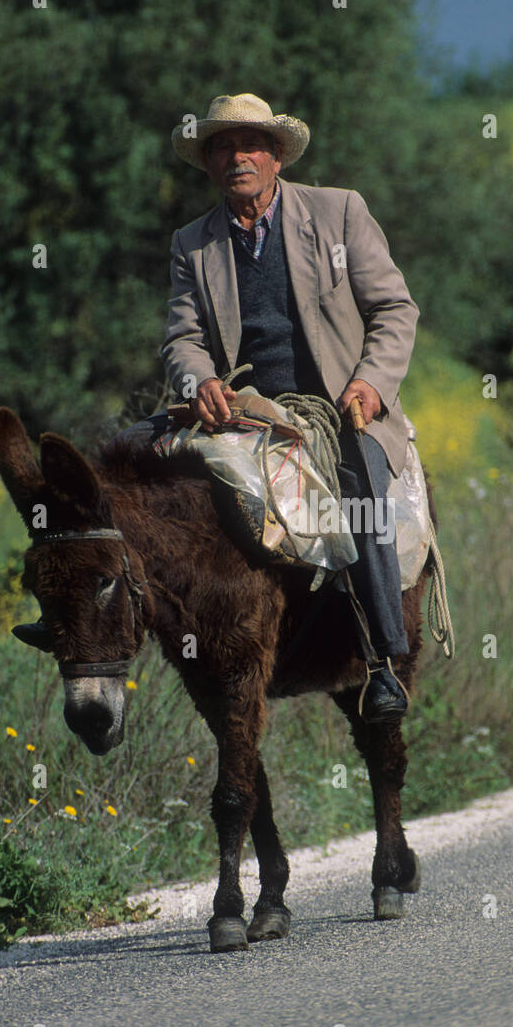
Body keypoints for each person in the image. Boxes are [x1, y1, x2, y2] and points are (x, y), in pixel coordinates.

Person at [161, 93, 419, 721]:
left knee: (360, 484)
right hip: (246, 411)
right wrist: (199, 383)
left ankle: (382, 659)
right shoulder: (193, 244)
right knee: (139, 466)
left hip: (340, 407)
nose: (236, 156)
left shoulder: (339, 212)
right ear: (209, 163)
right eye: (222, 146)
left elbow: (394, 309)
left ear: (276, 156)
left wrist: (370, 385)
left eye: (249, 144)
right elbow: (183, 339)